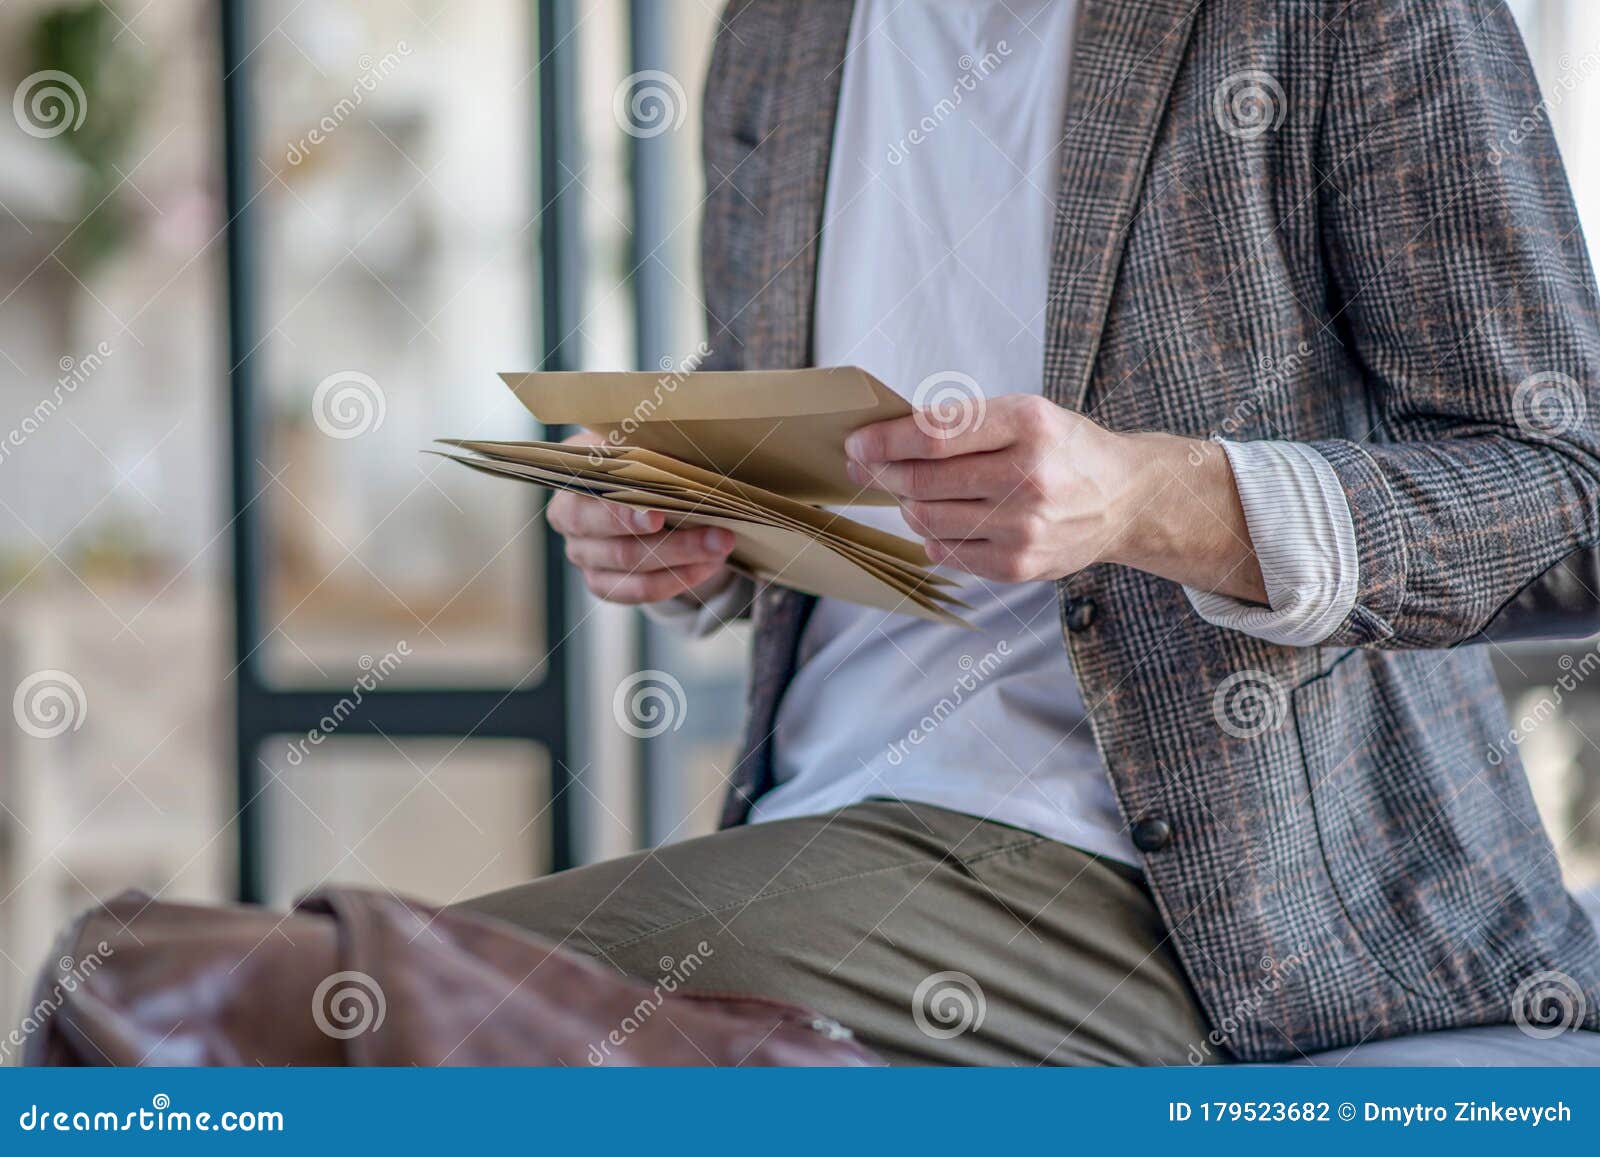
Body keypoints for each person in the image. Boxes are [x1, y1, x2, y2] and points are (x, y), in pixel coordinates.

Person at [461, 0, 1600, 1064]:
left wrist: (1152, 500)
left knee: (402, 995)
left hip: (1193, 888)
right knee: (400, 992)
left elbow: (1567, 490)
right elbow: (775, 410)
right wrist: (678, 524)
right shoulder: (779, 28)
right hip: (802, 816)